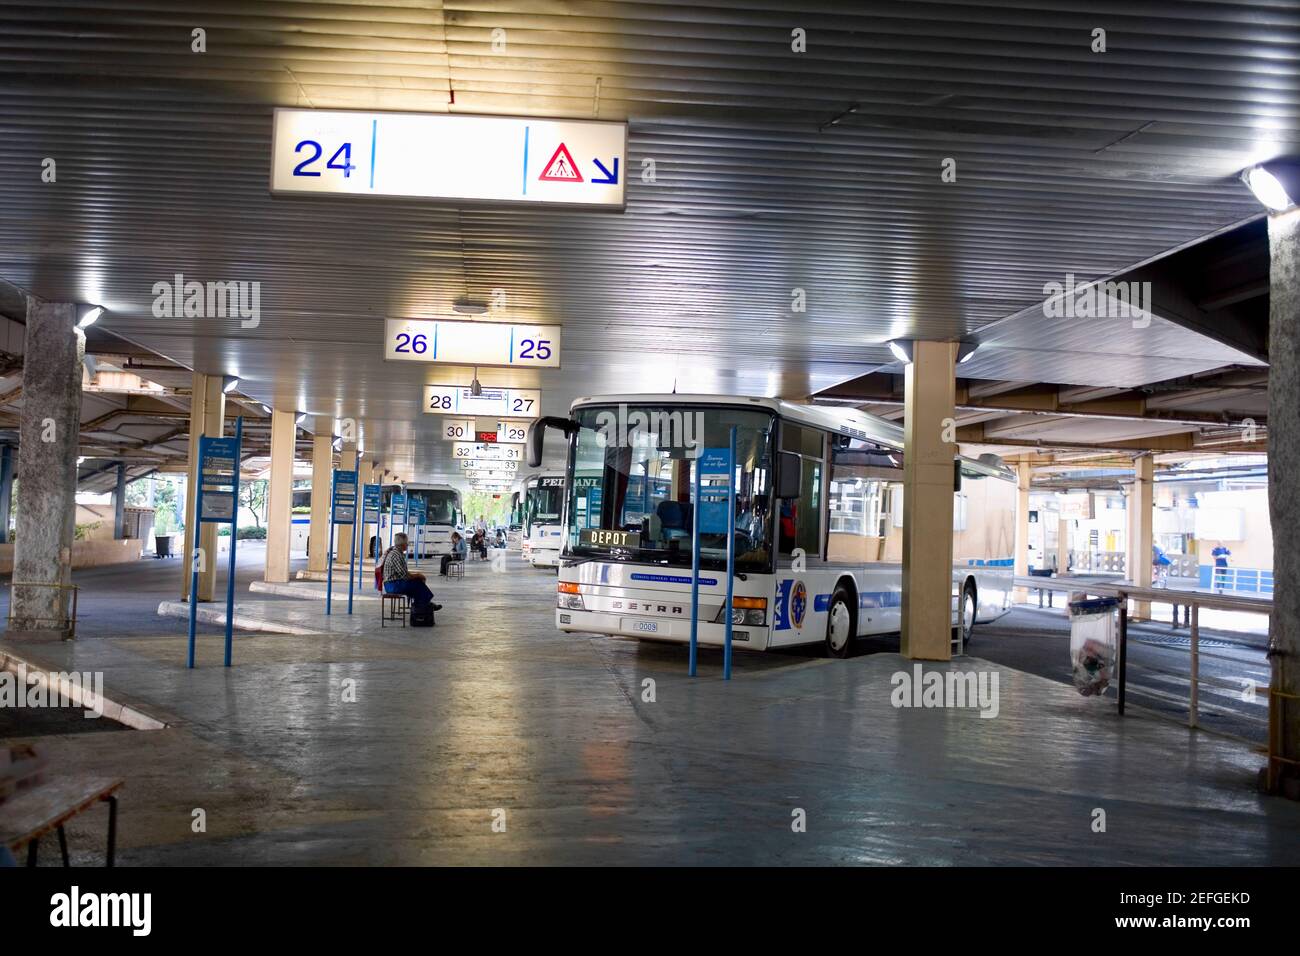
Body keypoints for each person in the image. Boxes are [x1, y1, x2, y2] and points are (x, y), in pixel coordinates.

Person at [382, 533, 440, 612]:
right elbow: (405, 576)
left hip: (394, 583)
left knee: (417, 583)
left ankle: (423, 604)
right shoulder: (396, 555)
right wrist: (418, 575)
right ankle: (424, 605)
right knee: (418, 584)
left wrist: (417, 576)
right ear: (402, 544)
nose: (407, 544)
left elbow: (403, 573)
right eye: (407, 543)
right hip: (393, 585)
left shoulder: (397, 553)